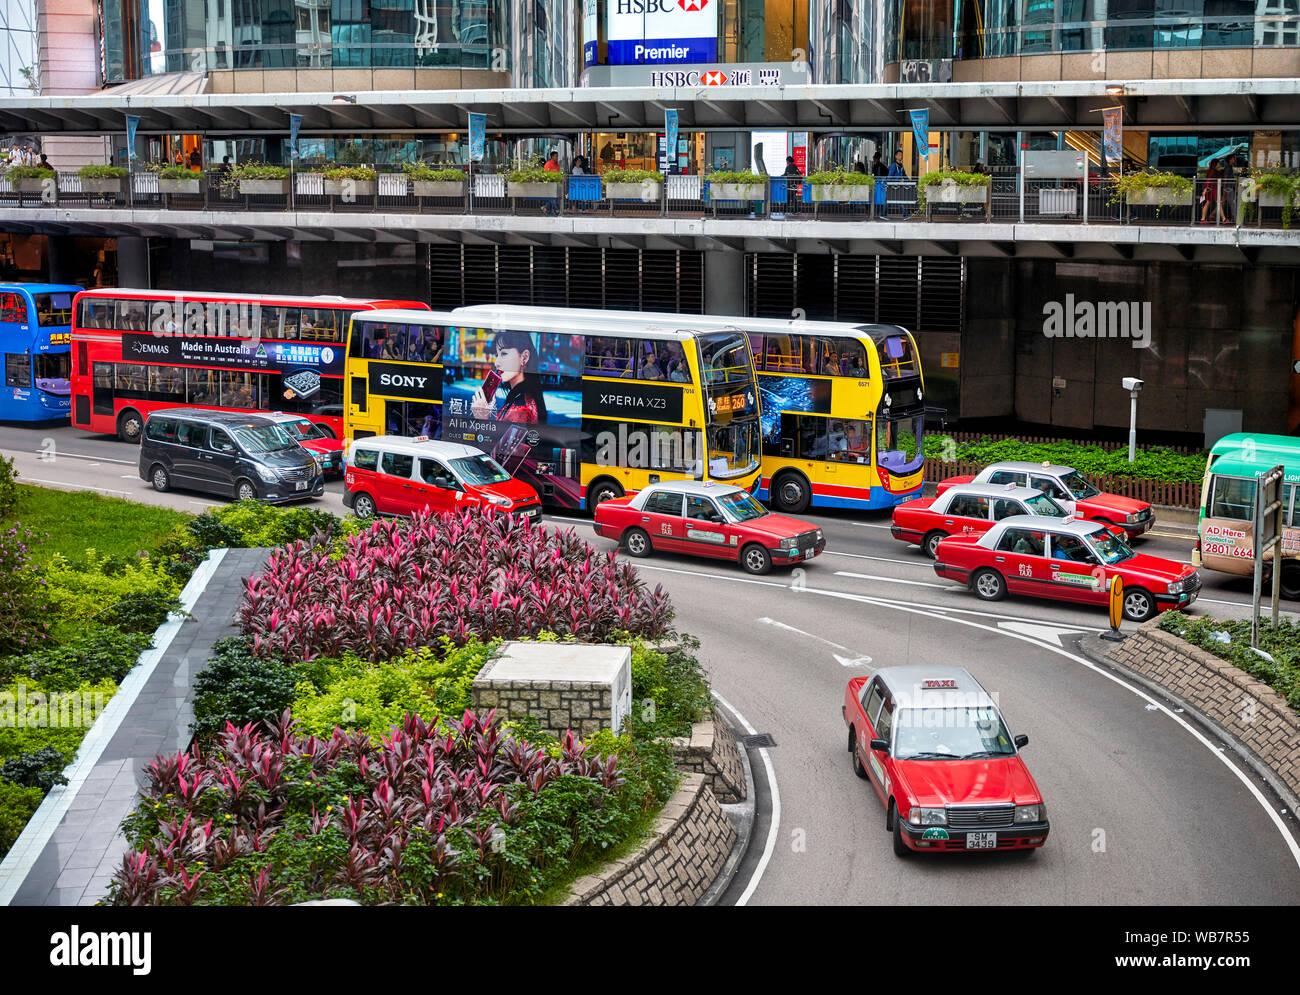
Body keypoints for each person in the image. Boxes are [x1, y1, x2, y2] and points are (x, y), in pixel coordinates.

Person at [471, 329, 547, 424]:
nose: (496, 363)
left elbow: (501, 439)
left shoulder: (519, 410)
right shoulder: (521, 397)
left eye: (504, 354)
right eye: (496, 355)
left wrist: (481, 419)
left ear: (524, 357)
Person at [1200, 159, 1223, 224]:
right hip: (1211, 189)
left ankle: (1203, 219)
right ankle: (1223, 219)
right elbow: (1208, 181)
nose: (1219, 165)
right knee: (1214, 203)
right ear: (1215, 164)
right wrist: (1205, 189)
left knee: (1208, 203)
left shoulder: (1214, 171)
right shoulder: (1212, 171)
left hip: (1213, 189)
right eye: (1218, 163)